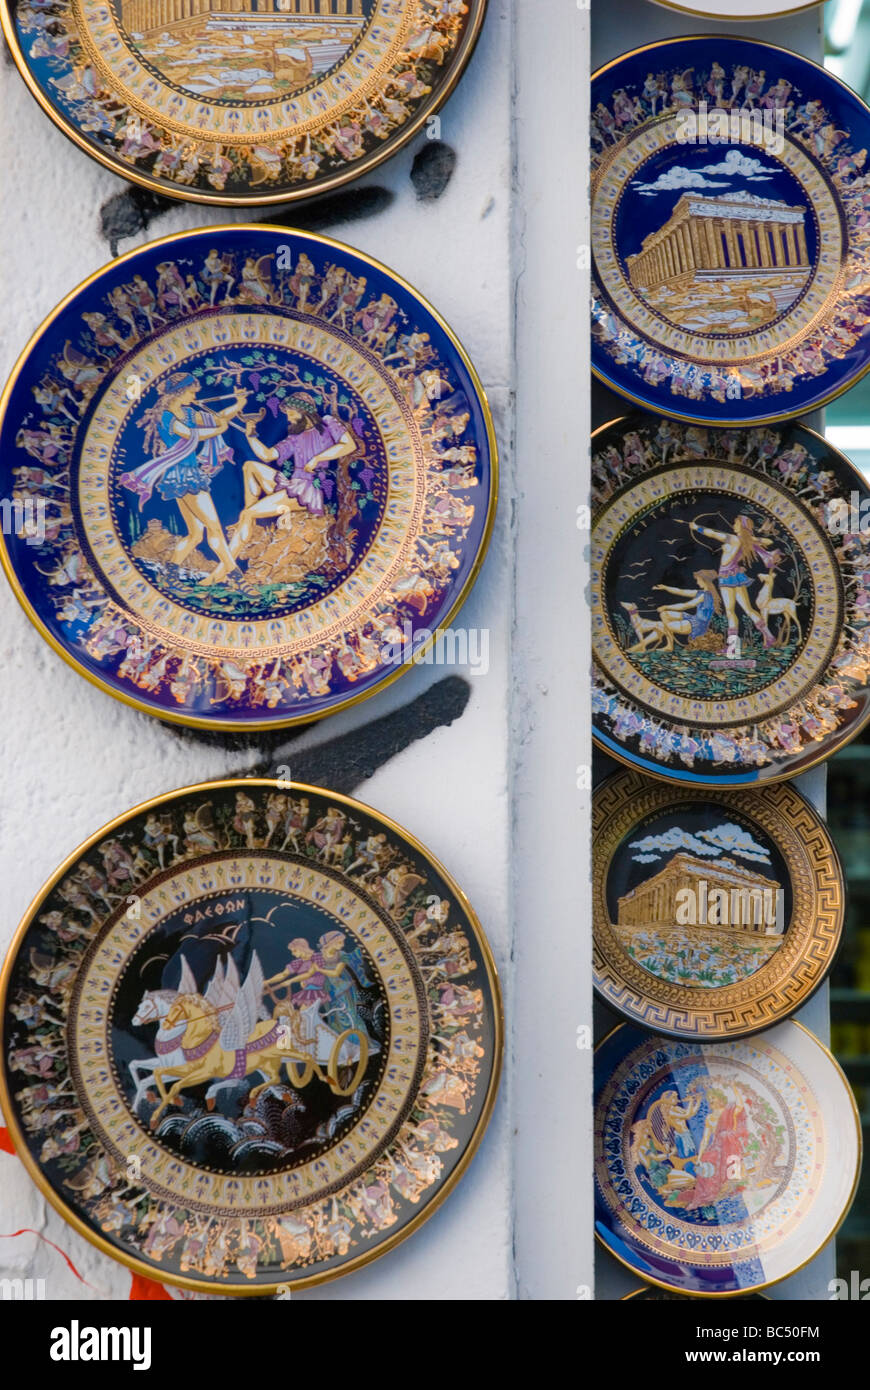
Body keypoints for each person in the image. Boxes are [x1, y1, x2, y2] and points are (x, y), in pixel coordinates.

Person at [119, 372, 249, 586]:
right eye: (191, 392)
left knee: (196, 535)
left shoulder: (188, 412)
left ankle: (170, 575)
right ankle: (236, 577)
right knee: (214, 527)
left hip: (187, 474)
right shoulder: (166, 416)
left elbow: (218, 418)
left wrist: (238, 403)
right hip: (184, 476)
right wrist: (219, 429)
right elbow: (190, 434)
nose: (194, 396)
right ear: (178, 392)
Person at [228, 394, 357, 559]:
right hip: (292, 485)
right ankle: (250, 519)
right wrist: (250, 435)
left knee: (247, 514)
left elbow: (349, 444)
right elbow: (267, 455)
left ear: (304, 410)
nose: (288, 418)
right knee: (250, 466)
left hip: (307, 490)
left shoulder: (327, 423)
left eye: (291, 413)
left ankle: (227, 565)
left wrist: (318, 458)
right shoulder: (295, 437)